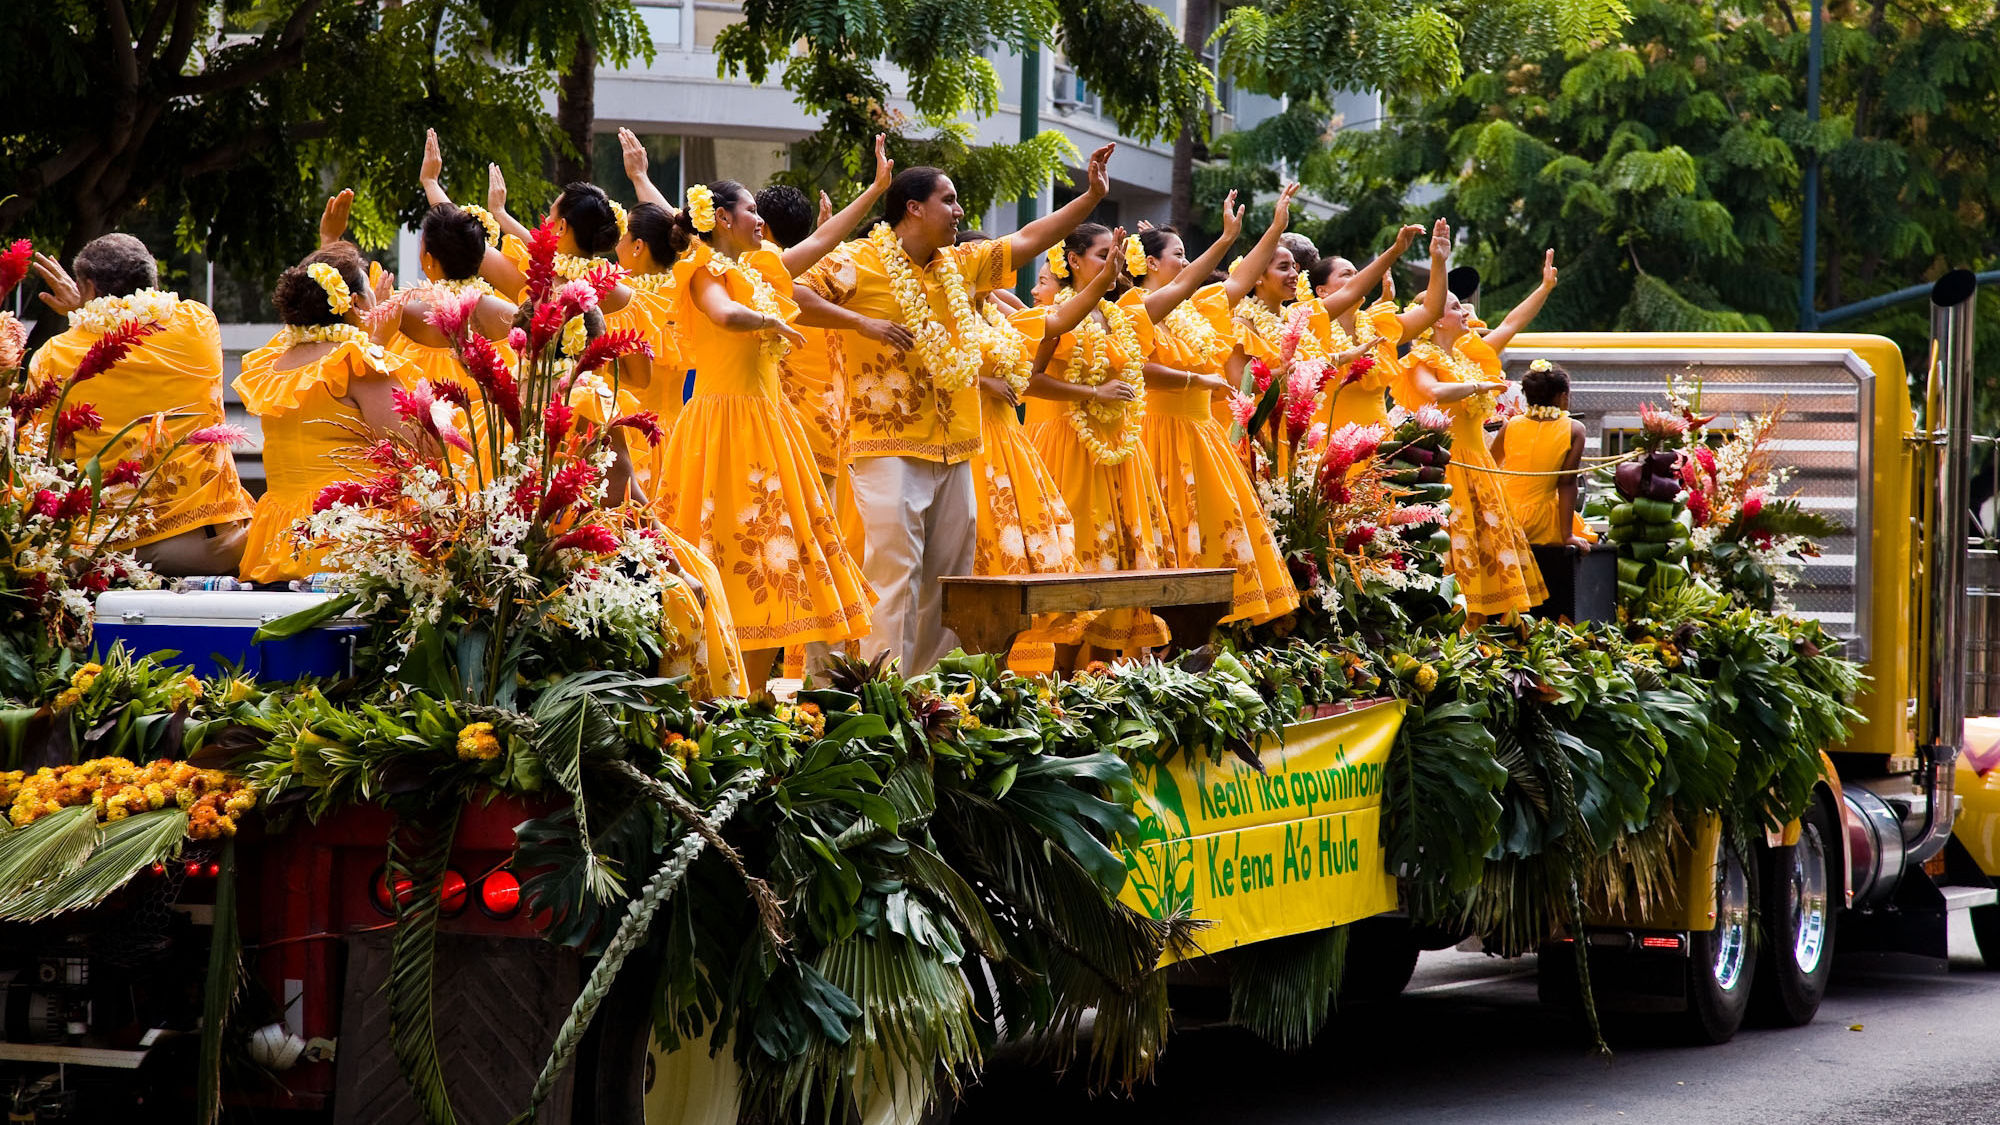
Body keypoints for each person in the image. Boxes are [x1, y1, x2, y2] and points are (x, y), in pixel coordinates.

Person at [796, 143, 1120, 672]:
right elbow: (793, 292)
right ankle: (885, 690)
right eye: (948, 200)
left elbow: (1026, 239)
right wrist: (860, 323)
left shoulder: (962, 264)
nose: (960, 211)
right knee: (896, 569)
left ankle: (927, 696)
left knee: (949, 576)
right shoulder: (858, 260)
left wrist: (1089, 197)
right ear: (913, 208)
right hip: (888, 442)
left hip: (958, 440)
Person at [653, 179, 874, 689]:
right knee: (723, 551)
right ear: (723, 219)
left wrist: (873, 192)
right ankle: (710, 690)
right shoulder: (703, 271)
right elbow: (724, 315)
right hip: (720, 427)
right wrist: (769, 319)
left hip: (769, 426)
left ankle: (752, 701)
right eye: (751, 210)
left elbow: (821, 244)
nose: (759, 220)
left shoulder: (760, 269)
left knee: (775, 557)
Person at [26, 235, 257, 576]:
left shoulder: (55, 355)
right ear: (152, 282)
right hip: (208, 547)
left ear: (88, 286)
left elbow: (47, 460)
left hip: (105, 552)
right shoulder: (198, 325)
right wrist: (87, 310)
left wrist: (82, 315)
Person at [1122, 198, 1298, 626]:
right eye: (1178, 255)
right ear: (1150, 263)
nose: (1186, 262)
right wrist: (1194, 381)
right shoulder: (1130, 307)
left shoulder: (1196, 308)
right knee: (1169, 529)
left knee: (1216, 527)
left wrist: (1273, 228)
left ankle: (1212, 633)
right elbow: (1138, 368)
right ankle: (1165, 630)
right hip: (1158, 432)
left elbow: (1242, 277)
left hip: (1202, 435)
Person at [1018, 223, 1179, 655]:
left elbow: (1182, 288)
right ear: (1072, 260)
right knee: (1079, 564)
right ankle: (1061, 695)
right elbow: (1028, 382)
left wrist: (1225, 241)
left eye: (1119, 254)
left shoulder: (1117, 316)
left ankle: (1105, 690)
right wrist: (1091, 392)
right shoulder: (1059, 313)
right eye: (1103, 253)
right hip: (1068, 447)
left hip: (1120, 452)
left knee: (1121, 567)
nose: (1115, 261)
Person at [235, 243, 416, 584]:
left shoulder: (274, 361)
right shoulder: (362, 363)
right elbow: (419, 449)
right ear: (357, 304)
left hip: (277, 540)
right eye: (370, 295)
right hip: (344, 539)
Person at [1397, 250, 1561, 621]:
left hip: (1480, 466)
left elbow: (1511, 323)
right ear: (1437, 319)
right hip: (1448, 468)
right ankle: (1457, 623)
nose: (1466, 312)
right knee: (1457, 548)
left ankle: (1492, 630)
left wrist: (1545, 287)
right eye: (1456, 307)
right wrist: (1477, 386)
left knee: (1490, 544)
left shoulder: (1468, 354)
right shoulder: (1422, 358)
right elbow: (1433, 393)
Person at [956, 233, 1088, 672]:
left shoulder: (996, 314)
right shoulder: (941, 306)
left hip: (1007, 441)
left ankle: (1016, 673)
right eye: (992, 263)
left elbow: (1053, 322)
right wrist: (981, 382)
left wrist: (1102, 278)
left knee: (1025, 552)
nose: (1002, 272)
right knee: (979, 554)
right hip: (966, 442)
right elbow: (923, 361)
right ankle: (966, 670)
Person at [1309, 221, 1452, 432]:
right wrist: (1395, 251)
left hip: (1377, 444)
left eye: (1358, 274)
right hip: (1326, 447)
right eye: (1347, 274)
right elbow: (1351, 293)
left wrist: (1438, 261)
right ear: (1321, 291)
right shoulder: (1309, 323)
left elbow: (1431, 311)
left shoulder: (1376, 325)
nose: (1358, 280)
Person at [1493, 359, 1597, 550]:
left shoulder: (1510, 425)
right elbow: (1566, 484)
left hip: (1503, 516)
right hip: (1541, 523)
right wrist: (1568, 536)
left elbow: (1490, 468)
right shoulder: (1575, 429)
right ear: (1563, 397)